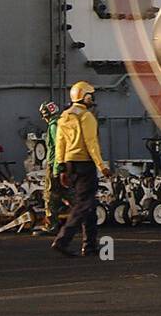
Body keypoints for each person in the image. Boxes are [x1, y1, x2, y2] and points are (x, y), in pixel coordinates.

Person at [51, 81, 109, 257]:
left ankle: (89, 245)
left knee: (88, 204)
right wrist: (102, 166)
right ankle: (62, 240)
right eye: (91, 95)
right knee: (84, 205)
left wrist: (61, 168)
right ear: (86, 97)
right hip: (85, 164)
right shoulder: (86, 116)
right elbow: (92, 143)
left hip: (70, 165)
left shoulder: (64, 117)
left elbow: (59, 144)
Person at [33, 101, 63, 236]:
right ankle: (84, 217)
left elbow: (58, 148)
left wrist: (56, 168)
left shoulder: (53, 126)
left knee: (50, 195)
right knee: (67, 194)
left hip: (54, 165)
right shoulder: (60, 124)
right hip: (60, 164)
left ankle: (52, 225)